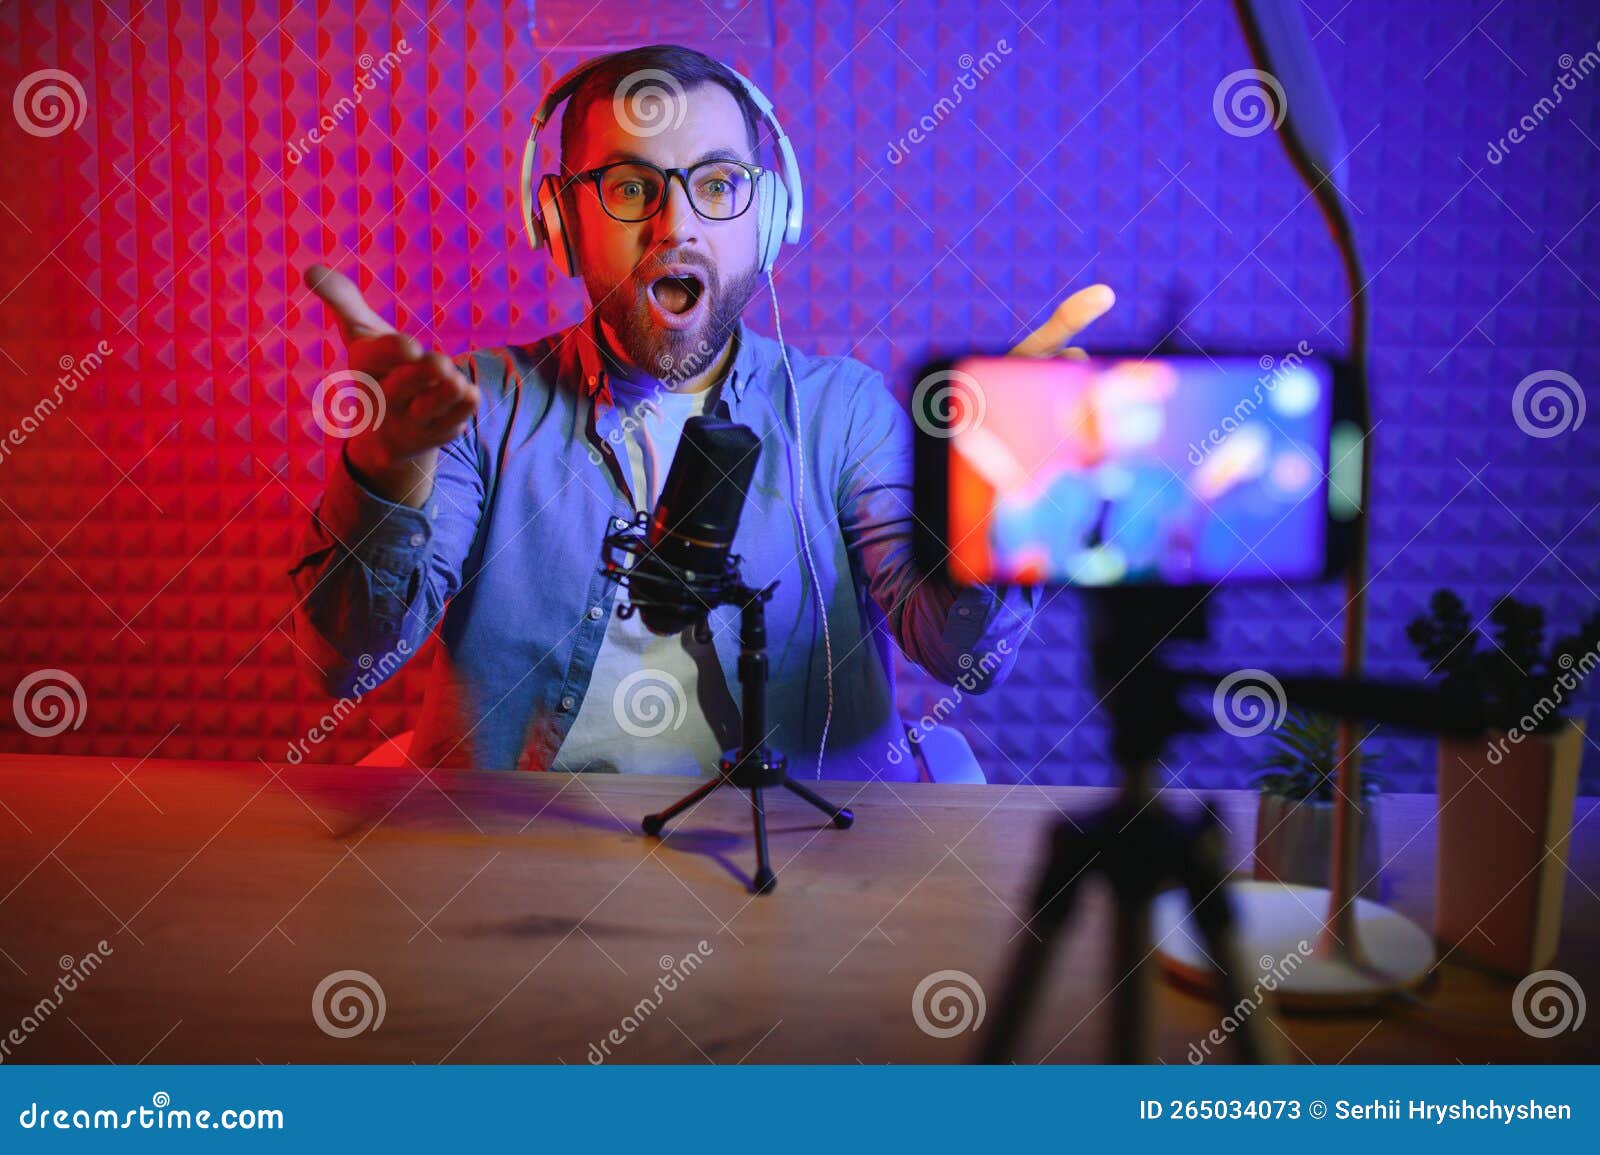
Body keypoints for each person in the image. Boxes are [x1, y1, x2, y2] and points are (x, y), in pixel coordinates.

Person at [288, 44, 1113, 779]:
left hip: (799, 859)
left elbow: (960, 654)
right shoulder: (473, 408)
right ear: (560, 220)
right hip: (530, 863)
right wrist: (388, 465)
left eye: (718, 184)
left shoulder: (843, 411)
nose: (674, 225)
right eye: (629, 186)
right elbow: (348, 666)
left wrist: (991, 505)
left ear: (769, 215)